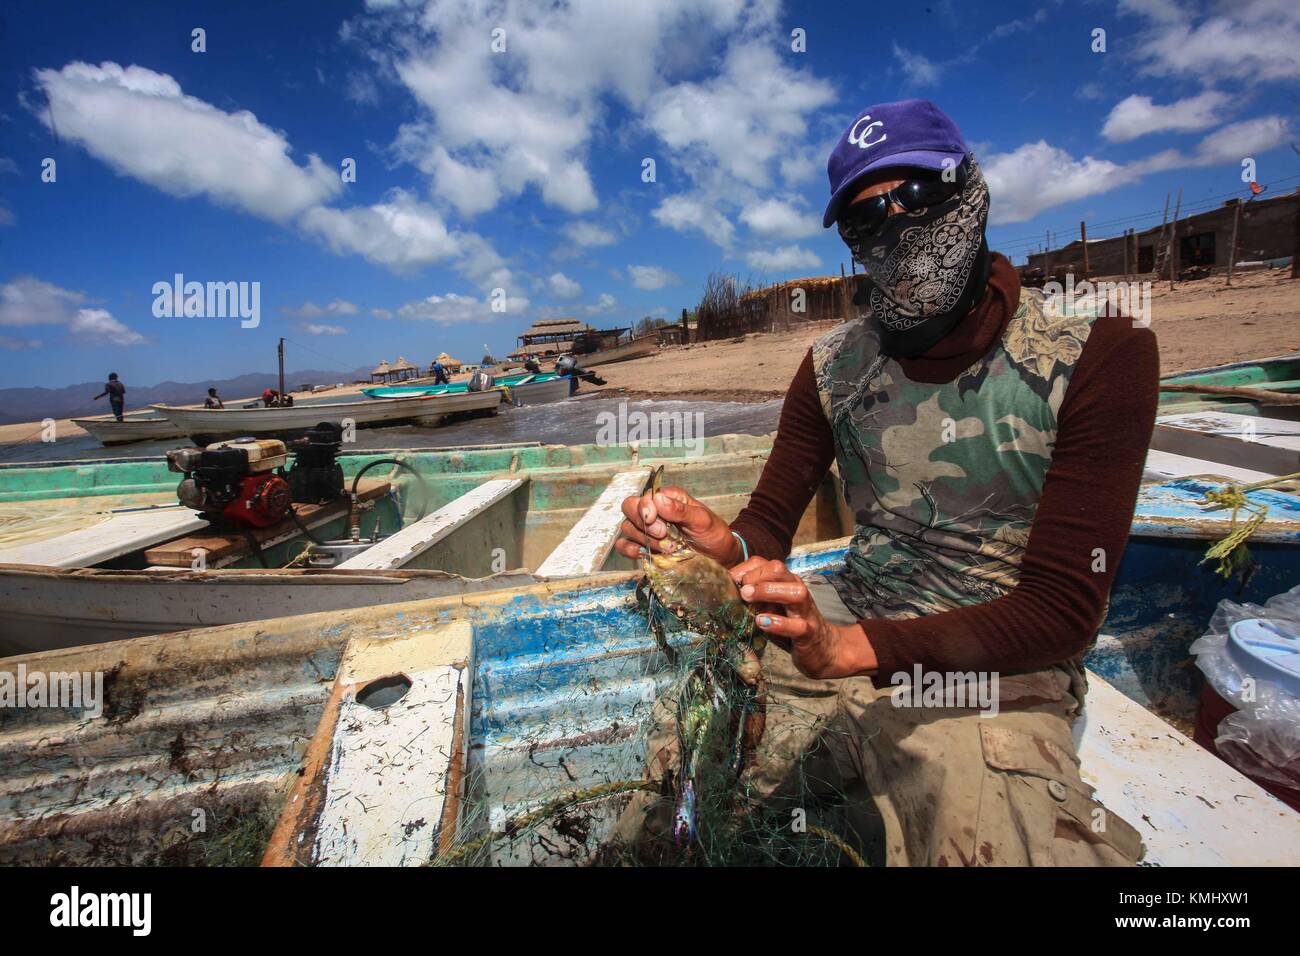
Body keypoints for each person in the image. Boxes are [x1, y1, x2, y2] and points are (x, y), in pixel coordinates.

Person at [613, 99, 1157, 867]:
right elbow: (768, 523)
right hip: (846, 619)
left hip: (993, 668)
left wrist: (849, 650)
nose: (898, 226)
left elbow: (1064, 610)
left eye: (920, 196)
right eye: (868, 219)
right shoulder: (833, 366)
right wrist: (722, 544)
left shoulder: (1099, 352)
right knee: (683, 785)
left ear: (969, 189)